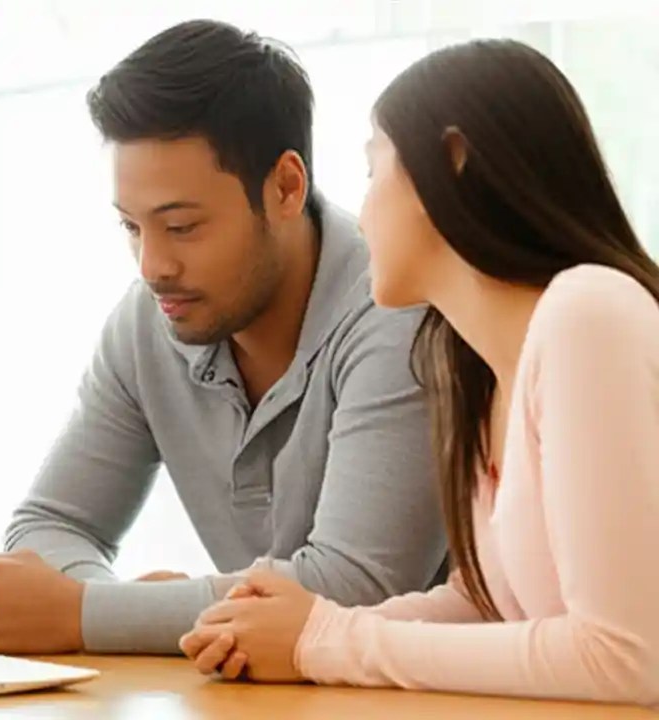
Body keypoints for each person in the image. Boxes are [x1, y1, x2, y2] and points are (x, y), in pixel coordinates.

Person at [0, 20, 447, 656]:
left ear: (286, 187)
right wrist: (113, 608)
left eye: (182, 226)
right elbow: (52, 523)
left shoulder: (397, 309)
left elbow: (356, 584)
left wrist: (92, 616)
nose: (152, 266)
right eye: (131, 227)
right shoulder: (151, 319)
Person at [181, 39, 659, 707]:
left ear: (452, 160)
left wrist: (327, 639)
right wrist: (290, 626)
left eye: (374, 168)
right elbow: (488, 604)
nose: (362, 211)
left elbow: (624, 656)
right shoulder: (480, 371)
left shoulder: (589, 313)